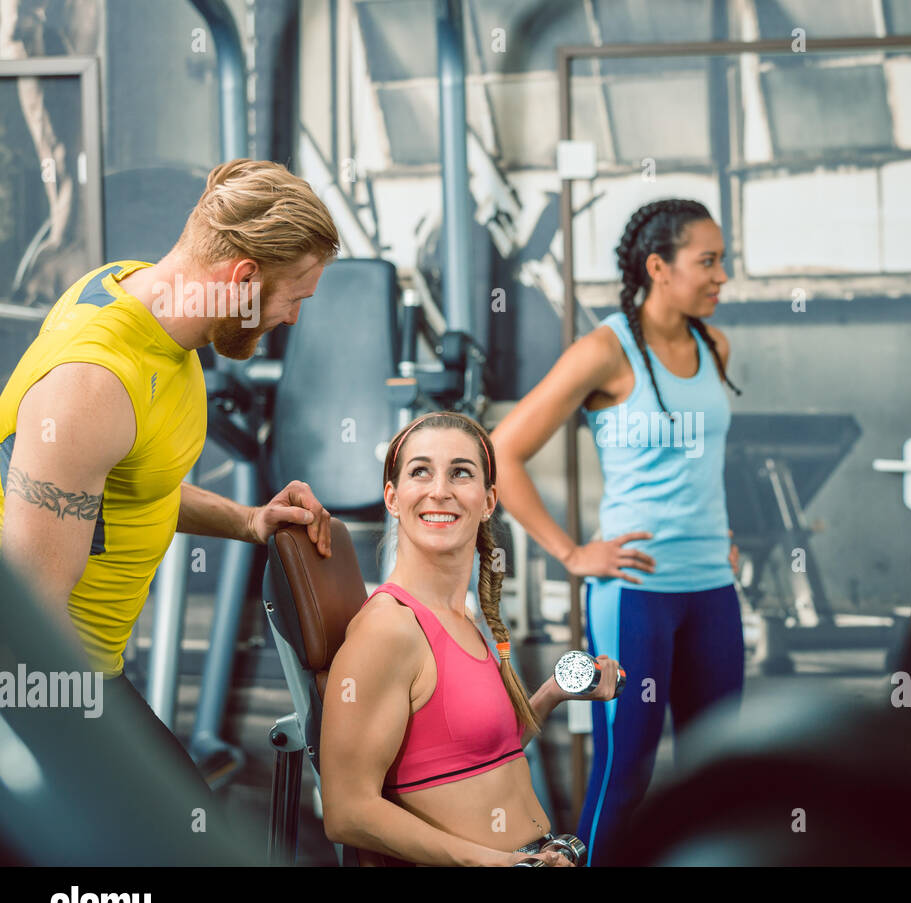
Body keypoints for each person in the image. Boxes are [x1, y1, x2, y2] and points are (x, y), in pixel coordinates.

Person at [0, 159, 339, 799]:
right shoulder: (93, 384)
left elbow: (123, 489)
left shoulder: (127, 286)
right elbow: (26, 626)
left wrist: (249, 521)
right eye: (294, 297)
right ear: (241, 279)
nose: (292, 319)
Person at [490, 198, 745, 865]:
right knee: (626, 769)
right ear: (658, 266)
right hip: (633, 593)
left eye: (724, 261)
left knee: (716, 772)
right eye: (708, 261)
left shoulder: (713, 345)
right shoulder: (605, 350)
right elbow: (500, 452)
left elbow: (700, 463)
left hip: (712, 587)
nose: (722, 276)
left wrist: (719, 532)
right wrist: (571, 553)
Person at [319, 412, 622, 866]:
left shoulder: (462, 619)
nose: (440, 490)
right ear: (393, 498)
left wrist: (553, 693)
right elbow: (346, 812)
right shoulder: (390, 628)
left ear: (488, 500)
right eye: (420, 472)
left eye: (461, 473)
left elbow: (476, 757)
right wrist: (495, 863)